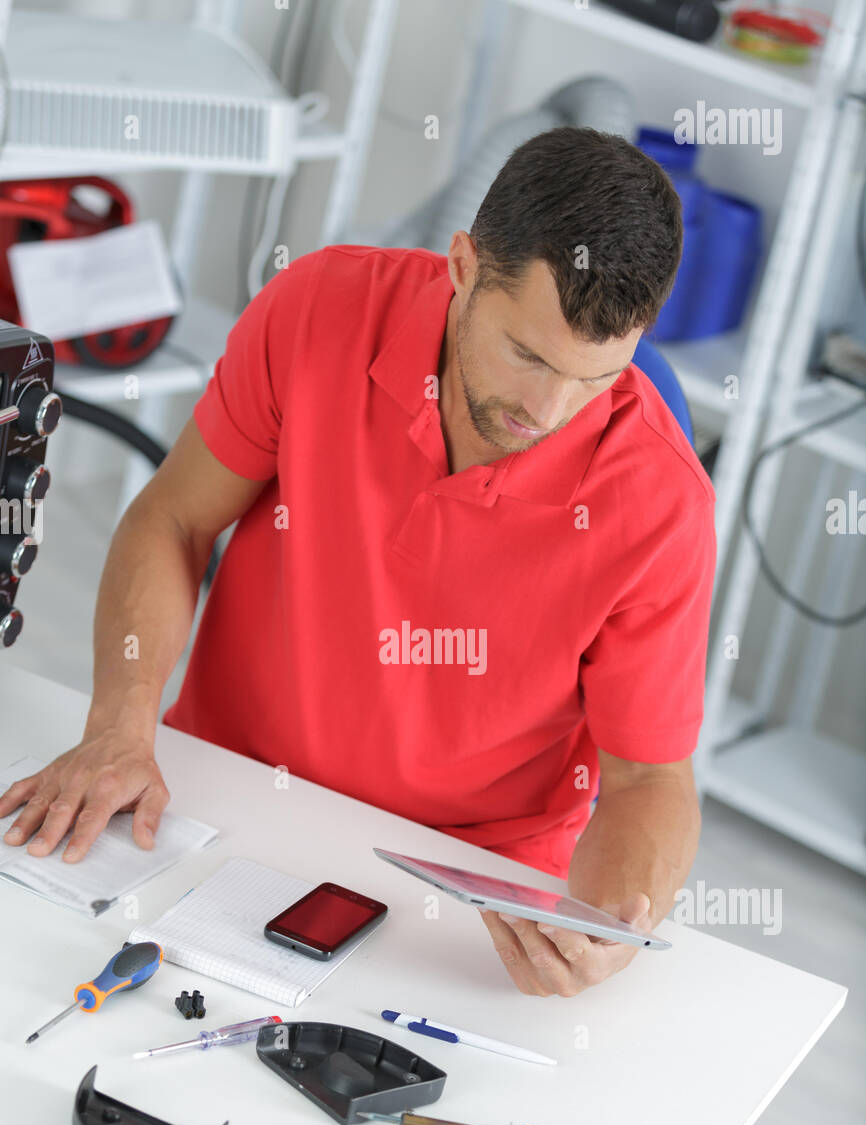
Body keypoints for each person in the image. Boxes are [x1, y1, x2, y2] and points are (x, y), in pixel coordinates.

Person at [0, 128, 715, 997]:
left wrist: (604, 929)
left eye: (594, 379)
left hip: (467, 887)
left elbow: (650, 779)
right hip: (219, 791)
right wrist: (118, 724)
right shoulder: (320, 308)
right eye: (526, 354)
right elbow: (175, 520)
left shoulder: (660, 502)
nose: (547, 408)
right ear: (461, 266)